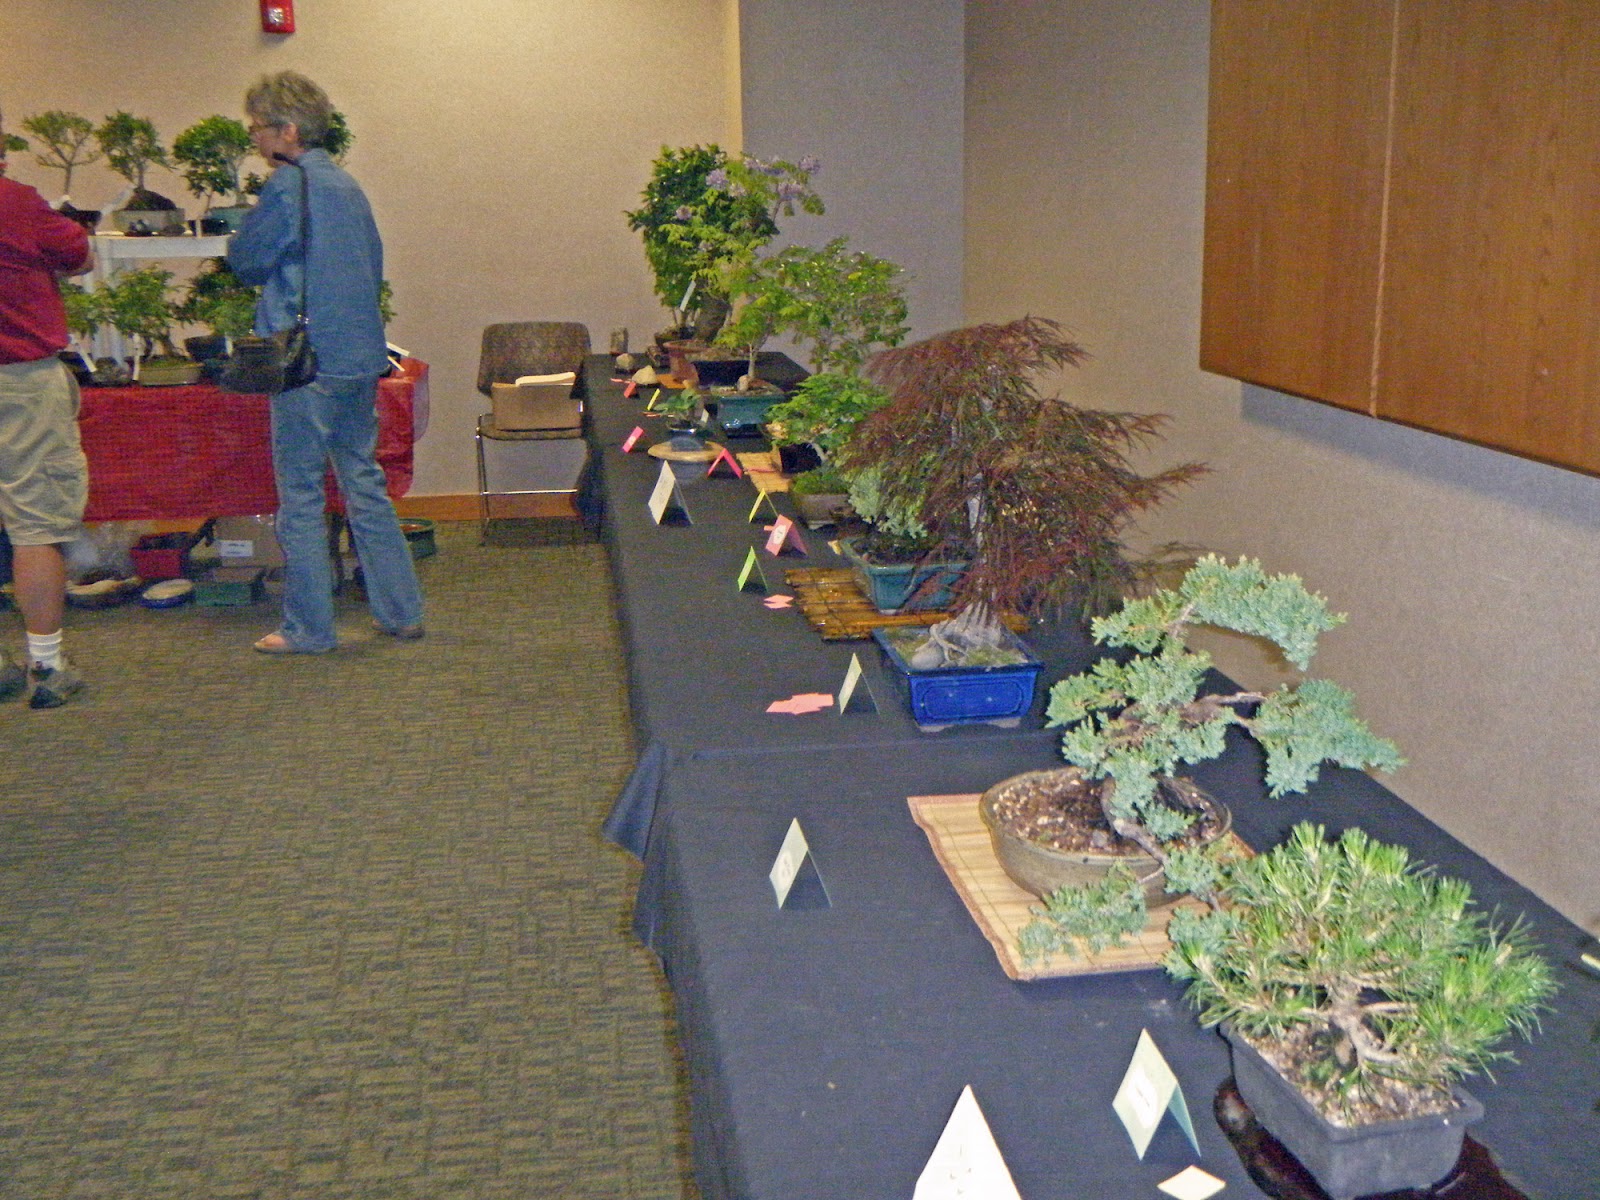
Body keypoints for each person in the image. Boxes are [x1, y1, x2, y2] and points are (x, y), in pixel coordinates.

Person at [228, 71, 423, 654]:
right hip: (359, 356)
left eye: (259, 129)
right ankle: (401, 612)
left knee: (302, 496)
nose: (256, 140)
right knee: (364, 484)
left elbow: (249, 261)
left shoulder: (288, 187)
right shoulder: (346, 185)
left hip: (305, 365)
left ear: (288, 131)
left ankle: (310, 628)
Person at [0, 104, 93, 708]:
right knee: (35, 525)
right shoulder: (16, 201)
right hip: (21, 381)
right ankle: (46, 667)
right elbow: (80, 254)